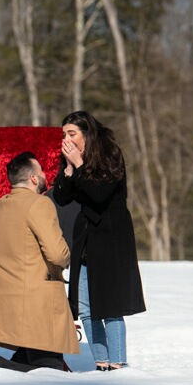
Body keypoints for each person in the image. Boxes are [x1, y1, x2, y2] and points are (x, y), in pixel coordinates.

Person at [0, 152, 80, 373]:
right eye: (40, 171)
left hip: (8, 295)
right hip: (38, 298)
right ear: (33, 179)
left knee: (34, 358)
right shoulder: (40, 204)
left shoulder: (1, 205)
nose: (44, 175)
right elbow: (57, 254)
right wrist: (69, 258)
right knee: (50, 369)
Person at [52, 111, 145, 371]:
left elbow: (100, 195)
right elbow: (61, 197)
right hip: (87, 235)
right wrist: (69, 170)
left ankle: (117, 363)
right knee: (85, 306)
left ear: (87, 133)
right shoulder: (72, 159)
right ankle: (101, 363)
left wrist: (80, 165)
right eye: (64, 135)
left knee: (110, 304)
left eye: (72, 134)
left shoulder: (109, 154)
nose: (67, 140)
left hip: (112, 233)